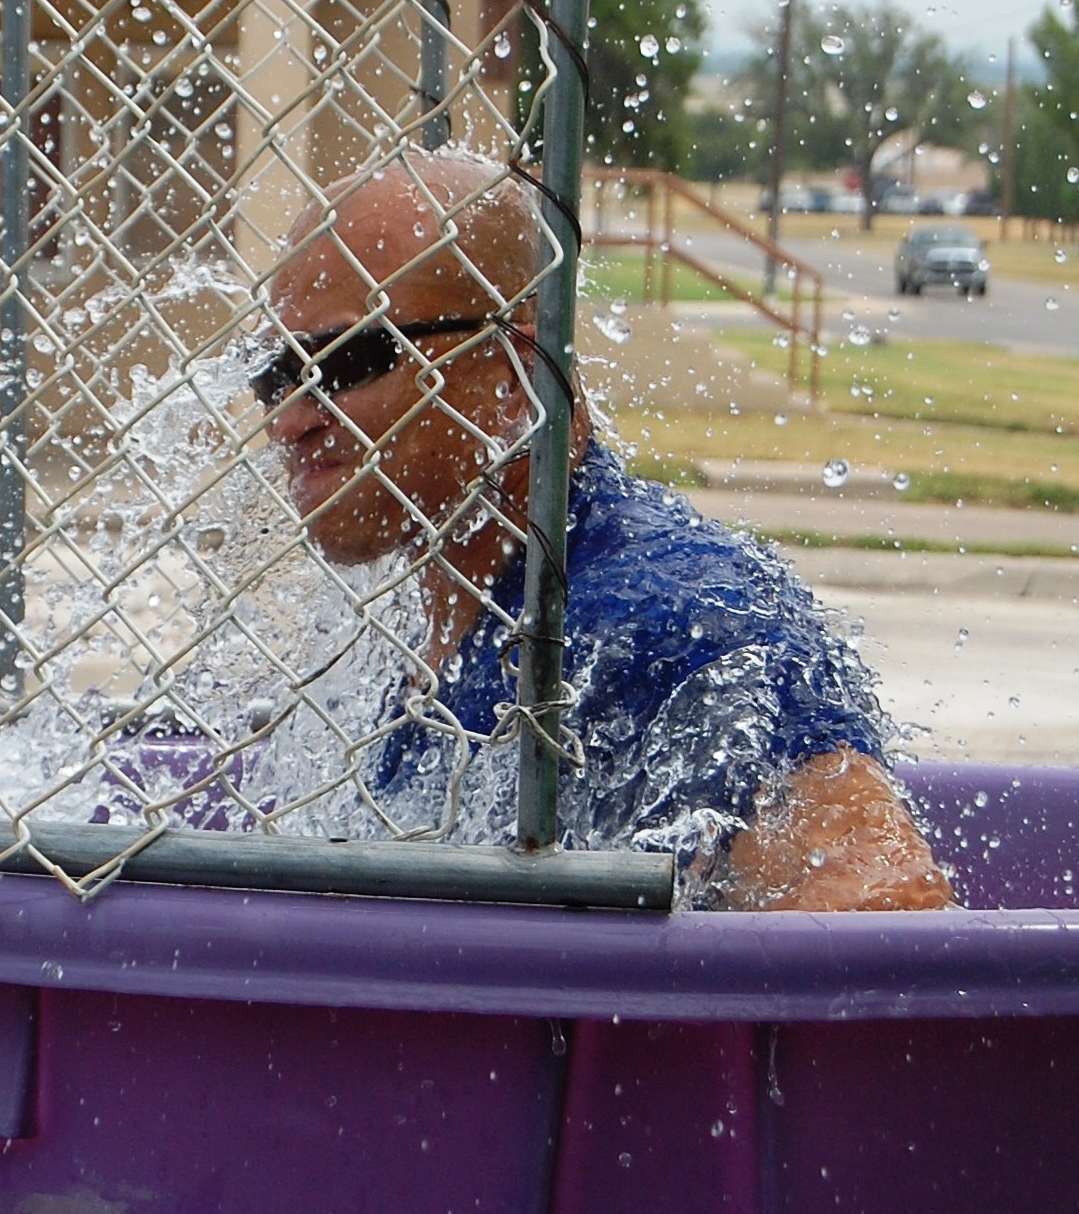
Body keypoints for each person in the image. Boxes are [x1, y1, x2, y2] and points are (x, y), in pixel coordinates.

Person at [249, 149, 952, 912]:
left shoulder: (671, 614)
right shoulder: (461, 606)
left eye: (345, 360)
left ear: (516, 369)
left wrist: (613, 1026)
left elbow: (884, 896)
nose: (289, 420)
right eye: (276, 375)